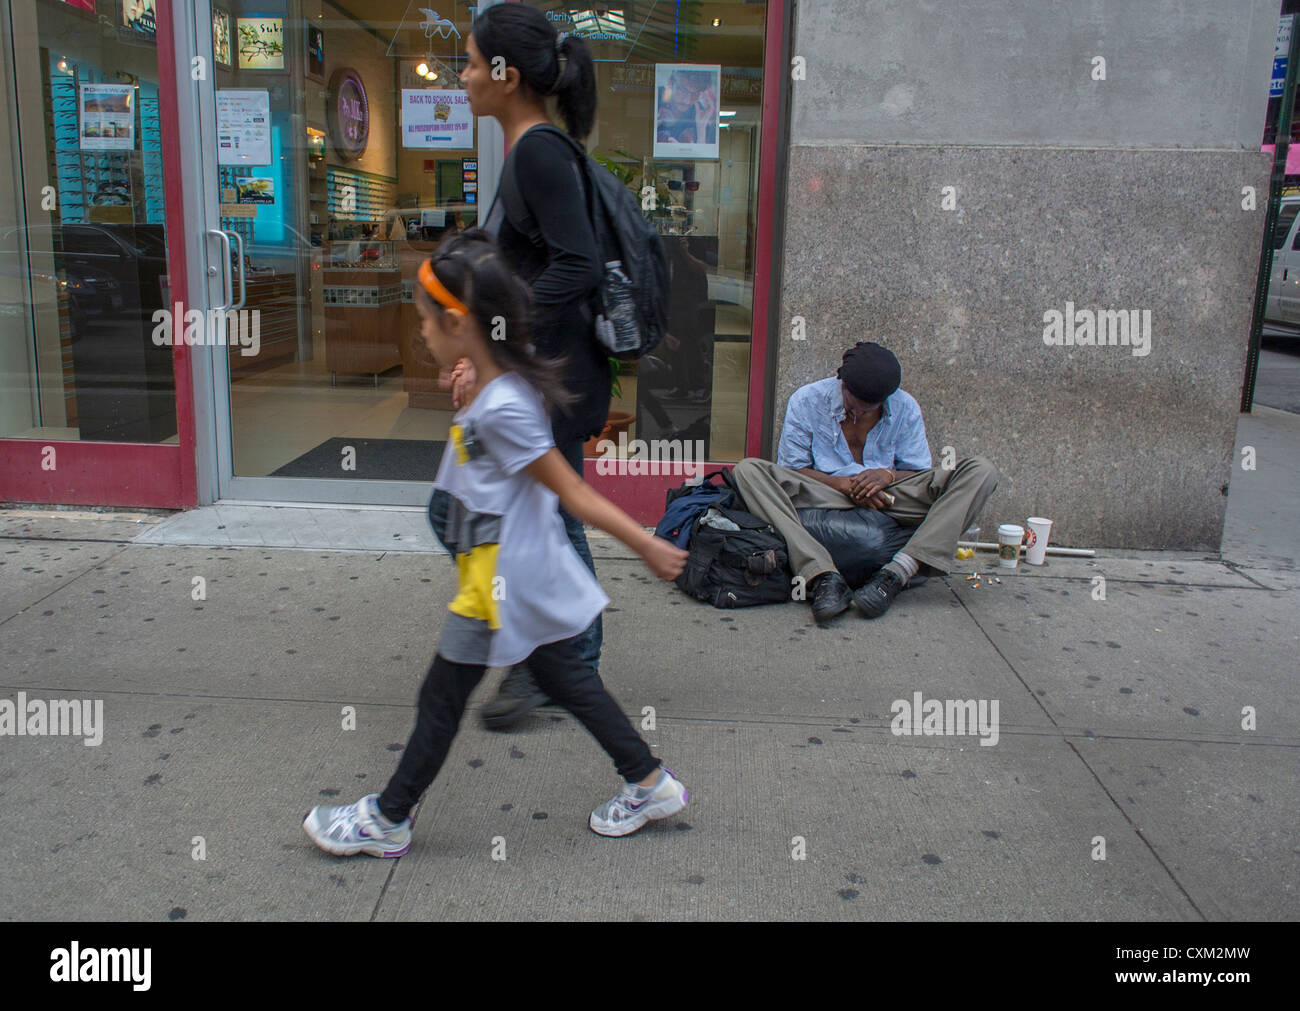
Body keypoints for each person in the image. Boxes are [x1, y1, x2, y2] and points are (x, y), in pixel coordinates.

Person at [303, 231, 690, 857]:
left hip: (498, 575)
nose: (421, 332)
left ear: (459, 323)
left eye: (427, 321)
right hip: (514, 568)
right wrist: (471, 375)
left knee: (442, 697)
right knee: (567, 680)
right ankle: (650, 782)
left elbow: (574, 492)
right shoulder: (498, 374)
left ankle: (387, 819)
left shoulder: (505, 402)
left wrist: (645, 544)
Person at [429, 4, 609, 731]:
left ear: (505, 75)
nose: (464, 76)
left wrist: (502, 339)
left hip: (556, 376)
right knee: (517, 513)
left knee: (545, 518)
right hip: (538, 371)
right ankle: (555, 662)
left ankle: (566, 666)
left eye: (470, 62)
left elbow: (581, 263)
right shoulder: (528, 150)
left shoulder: (539, 151)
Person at [731, 341, 999, 623]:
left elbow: (918, 472)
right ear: (841, 381)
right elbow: (795, 470)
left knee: (982, 471)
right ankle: (822, 576)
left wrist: (887, 475)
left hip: (891, 496)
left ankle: (898, 572)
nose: (857, 415)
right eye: (851, 406)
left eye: (867, 410)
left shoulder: (905, 407)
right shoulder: (807, 400)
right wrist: (844, 485)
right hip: (827, 491)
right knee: (748, 471)